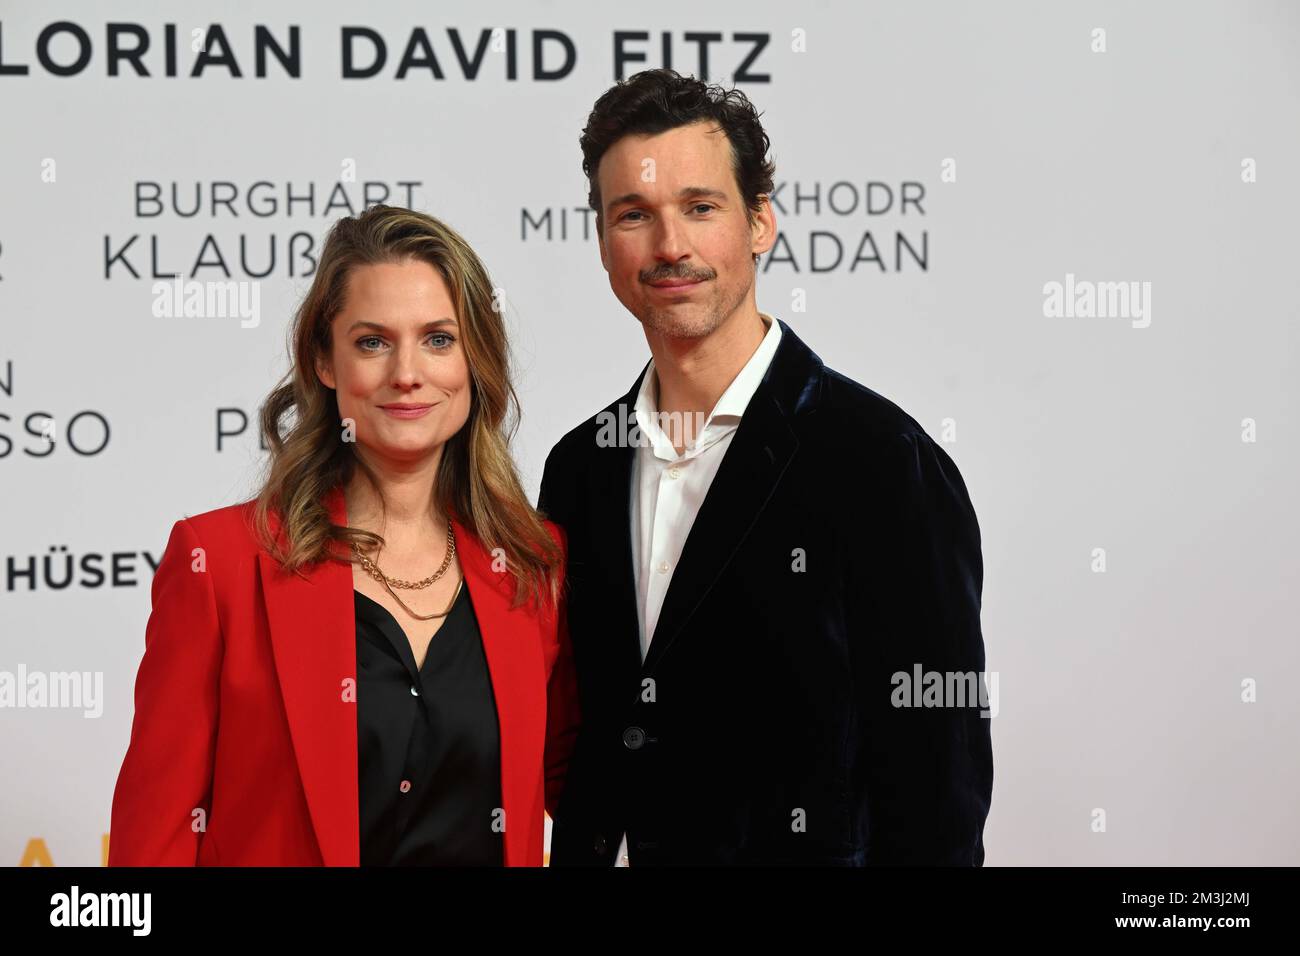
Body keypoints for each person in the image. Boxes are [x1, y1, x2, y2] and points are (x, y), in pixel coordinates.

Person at [538, 70, 993, 866]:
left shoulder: (885, 463)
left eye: (700, 207)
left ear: (760, 222)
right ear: (604, 240)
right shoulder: (579, 465)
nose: (669, 245)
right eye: (634, 215)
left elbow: (937, 794)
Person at [109, 204, 580, 866]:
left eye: (439, 339)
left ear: (477, 359)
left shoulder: (534, 564)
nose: (407, 372)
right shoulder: (218, 566)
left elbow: (587, 791)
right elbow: (151, 844)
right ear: (325, 362)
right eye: (373, 341)